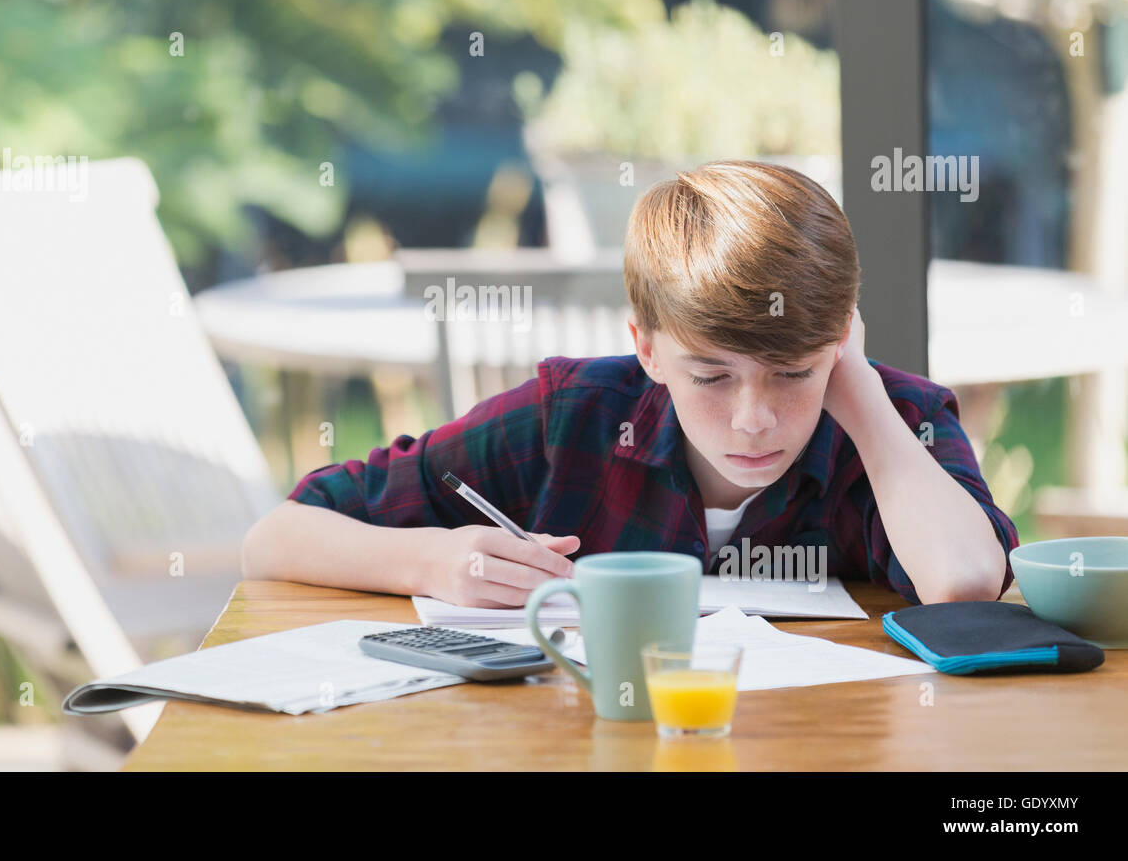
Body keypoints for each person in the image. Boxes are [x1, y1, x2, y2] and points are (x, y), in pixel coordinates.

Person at [241, 160, 1017, 607]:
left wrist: (858, 395)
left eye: (794, 372)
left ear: (841, 340)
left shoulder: (894, 421)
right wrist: (433, 563)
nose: (754, 419)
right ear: (644, 346)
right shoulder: (572, 418)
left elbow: (967, 579)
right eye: (710, 376)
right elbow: (276, 537)